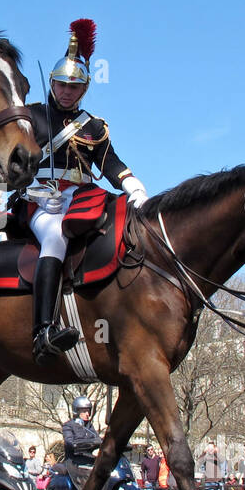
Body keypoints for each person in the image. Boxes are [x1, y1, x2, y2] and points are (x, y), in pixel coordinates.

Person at [20, 19, 149, 363]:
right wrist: (30, 185)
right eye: (62, 84)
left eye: (74, 87)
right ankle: (43, 329)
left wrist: (133, 186)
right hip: (40, 199)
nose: (67, 91)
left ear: (85, 89)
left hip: (82, 197)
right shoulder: (31, 116)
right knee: (55, 237)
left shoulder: (93, 126)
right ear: (52, 83)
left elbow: (109, 163)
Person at [60, 395, 101, 490]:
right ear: (77, 412)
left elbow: (97, 438)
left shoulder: (89, 427)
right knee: (88, 479)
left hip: (89, 460)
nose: (87, 414)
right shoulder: (68, 426)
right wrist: (83, 444)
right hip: (75, 462)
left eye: (88, 411)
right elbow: (70, 442)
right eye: (84, 411)